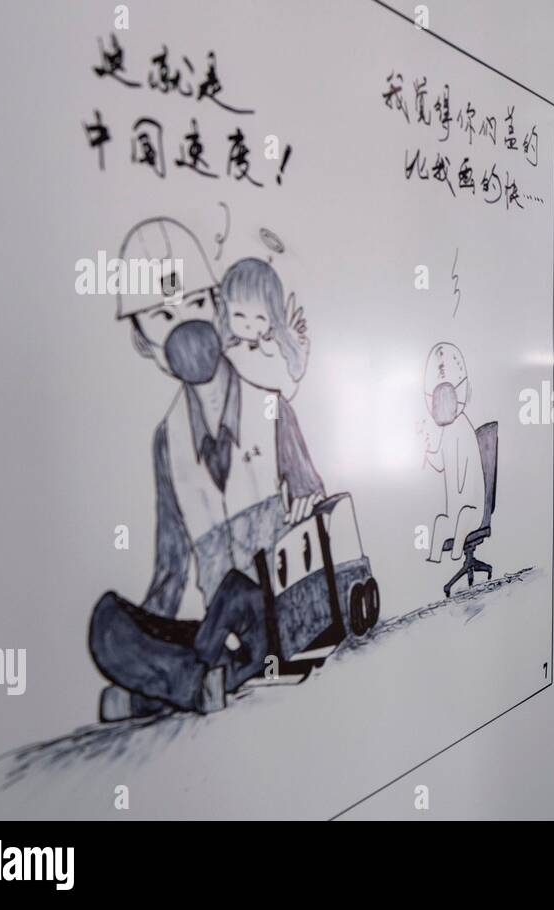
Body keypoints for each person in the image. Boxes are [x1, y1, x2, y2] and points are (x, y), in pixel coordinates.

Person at [88, 218, 326, 721]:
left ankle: (166, 687)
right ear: (142, 339)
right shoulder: (167, 441)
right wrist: (146, 635)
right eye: (160, 315)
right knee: (108, 625)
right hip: (219, 630)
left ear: (217, 309)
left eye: (196, 303)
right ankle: (198, 679)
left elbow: (314, 503)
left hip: (274, 610)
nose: (185, 326)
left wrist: (307, 503)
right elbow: (172, 567)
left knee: (238, 592)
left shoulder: (271, 407)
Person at [422, 342, 485, 565]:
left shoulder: (462, 429)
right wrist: (428, 448)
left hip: (471, 508)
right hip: (455, 509)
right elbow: (440, 463)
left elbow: (461, 474)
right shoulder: (448, 431)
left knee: (462, 519)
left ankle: (459, 554)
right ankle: (434, 561)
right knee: (441, 523)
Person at [220, 256, 309, 401]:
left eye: (259, 318)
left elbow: (290, 382)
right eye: (239, 315)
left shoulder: (272, 349)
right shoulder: (229, 350)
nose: (248, 324)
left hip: (271, 403)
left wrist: (293, 344)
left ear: (272, 317)